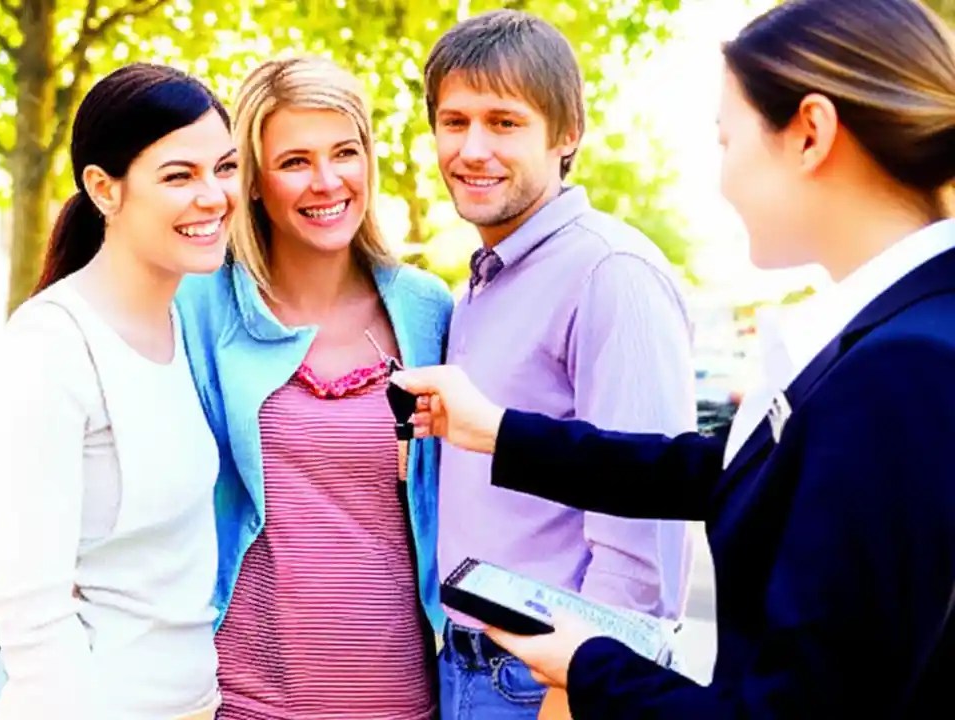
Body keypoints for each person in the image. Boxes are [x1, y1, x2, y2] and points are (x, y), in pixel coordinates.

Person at [392, 0, 955, 716]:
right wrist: (497, 431)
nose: (719, 179)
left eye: (725, 141)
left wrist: (587, 665)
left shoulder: (904, 368)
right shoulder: (894, 332)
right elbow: (708, 472)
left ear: (810, 133)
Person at [421, 10, 696, 718]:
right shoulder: (484, 279)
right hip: (468, 665)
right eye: (454, 122)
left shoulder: (609, 272)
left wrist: (572, 692)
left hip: (543, 681)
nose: (472, 148)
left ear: (567, 133)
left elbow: (645, 528)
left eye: (503, 122)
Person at [175, 55, 453, 719]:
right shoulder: (201, 306)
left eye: (345, 153)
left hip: (401, 695)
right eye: (295, 161)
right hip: (246, 698)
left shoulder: (427, 310)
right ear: (253, 181)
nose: (327, 181)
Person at [0, 63, 240, 720]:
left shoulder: (182, 319)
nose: (213, 195)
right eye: (179, 175)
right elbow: (30, 612)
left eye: (226, 168)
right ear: (104, 188)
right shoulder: (50, 347)